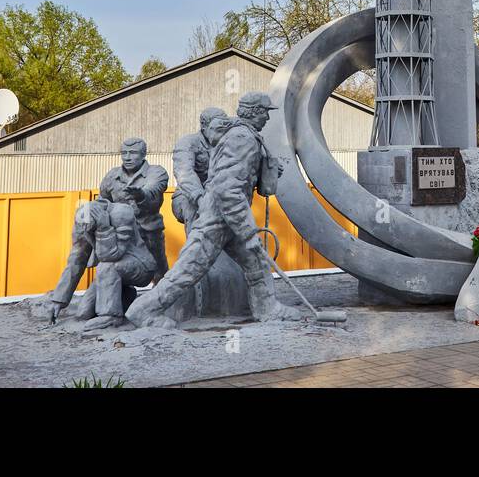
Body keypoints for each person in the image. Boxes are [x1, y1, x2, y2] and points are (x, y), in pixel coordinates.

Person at [125, 92, 302, 328]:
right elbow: (228, 189)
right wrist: (248, 232)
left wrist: (265, 169)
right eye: (265, 113)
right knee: (190, 268)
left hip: (227, 217)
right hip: (218, 217)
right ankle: (143, 310)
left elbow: (237, 175)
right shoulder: (242, 138)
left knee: (256, 263)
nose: (267, 119)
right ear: (254, 112)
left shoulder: (244, 136)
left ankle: (267, 308)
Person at [45, 198, 157, 330]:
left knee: (105, 266)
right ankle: (125, 296)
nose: (87, 231)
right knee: (83, 313)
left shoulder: (122, 213)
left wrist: (104, 227)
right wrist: (59, 300)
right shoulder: (83, 219)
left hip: (141, 266)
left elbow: (111, 255)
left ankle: (110, 316)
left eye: (91, 228)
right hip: (112, 271)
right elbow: (77, 258)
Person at [99, 137, 170, 282]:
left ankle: (164, 296)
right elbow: (104, 200)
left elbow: (153, 190)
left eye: (133, 153)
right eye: (124, 153)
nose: (127, 157)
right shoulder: (113, 175)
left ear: (144, 154)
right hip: (121, 232)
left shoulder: (156, 172)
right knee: (112, 268)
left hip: (148, 231)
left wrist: (141, 195)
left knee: (159, 270)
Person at [171, 107, 227, 230]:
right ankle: (196, 246)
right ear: (204, 126)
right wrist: (200, 198)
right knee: (194, 208)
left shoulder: (227, 145)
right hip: (188, 196)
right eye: (216, 129)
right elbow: (185, 172)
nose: (220, 133)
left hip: (217, 196)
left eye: (223, 129)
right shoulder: (188, 142)